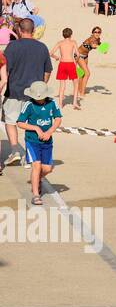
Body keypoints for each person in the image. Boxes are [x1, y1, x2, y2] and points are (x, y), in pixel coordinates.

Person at [2, 18, 51, 167]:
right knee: (32, 124)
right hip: (35, 93)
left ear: (19, 30)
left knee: (10, 122)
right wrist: (41, 86)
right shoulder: (42, 47)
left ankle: (15, 151)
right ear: (33, 29)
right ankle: (32, 157)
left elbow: (6, 69)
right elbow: (47, 71)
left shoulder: (12, 46)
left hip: (15, 91)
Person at [15, 80, 61, 205]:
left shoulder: (52, 103)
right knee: (36, 165)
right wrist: (36, 128)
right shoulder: (28, 105)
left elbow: (58, 118)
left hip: (47, 141)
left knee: (47, 168)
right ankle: (36, 194)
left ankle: (37, 179)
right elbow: (20, 123)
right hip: (32, 141)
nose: (39, 100)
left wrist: (50, 132)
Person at [53, 27, 80, 109]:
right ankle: (75, 103)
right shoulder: (73, 42)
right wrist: (76, 61)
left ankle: (60, 104)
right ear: (71, 35)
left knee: (62, 85)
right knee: (76, 84)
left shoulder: (60, 43)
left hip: (62, 63)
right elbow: (77, 54)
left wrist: (56, 57)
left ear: (63, 35)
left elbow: (50, 53)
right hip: (71, 63)